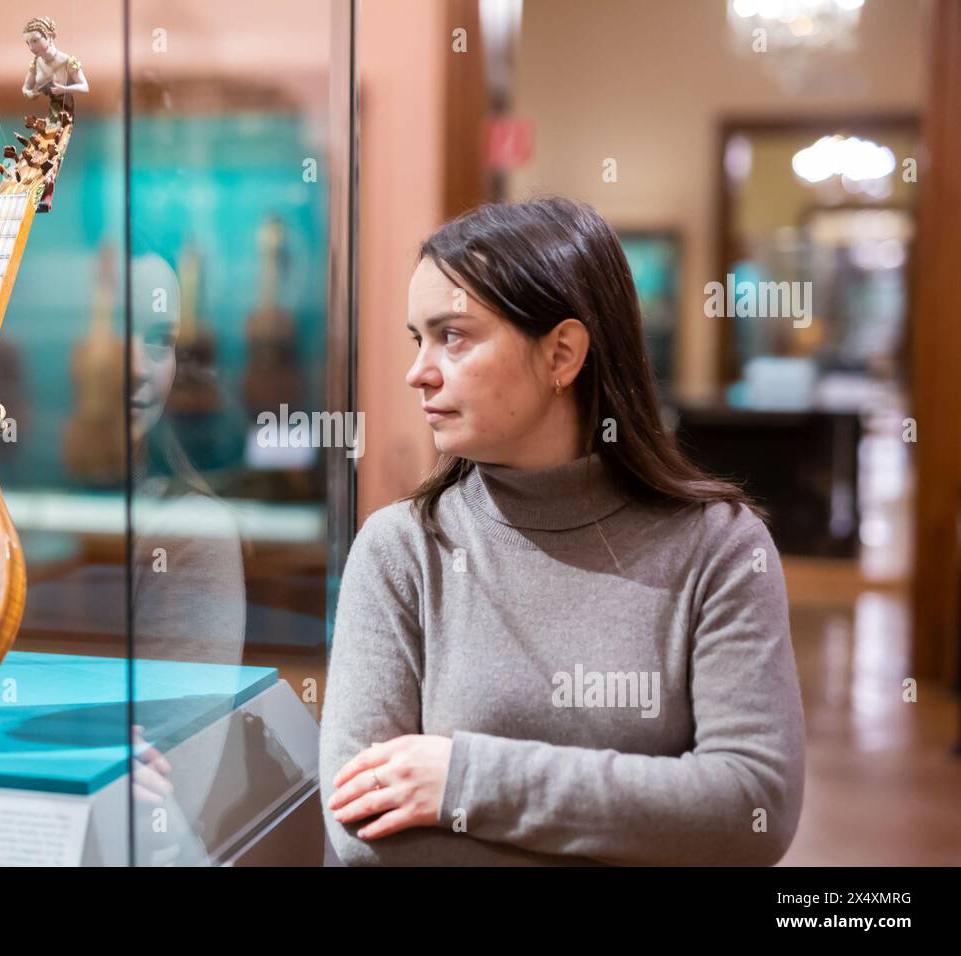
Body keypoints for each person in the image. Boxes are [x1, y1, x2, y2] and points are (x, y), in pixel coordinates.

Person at [319, 196, 806, 866]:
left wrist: (463, 779)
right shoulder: (400, 550)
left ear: (563, 354)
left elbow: (751, 807)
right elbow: (362, 833)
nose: (417, 371)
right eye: (417, 338)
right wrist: (643, 827)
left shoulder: (720, 548)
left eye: (453, 335)